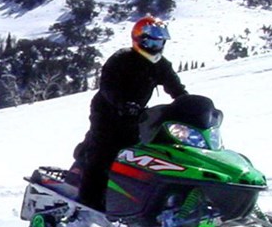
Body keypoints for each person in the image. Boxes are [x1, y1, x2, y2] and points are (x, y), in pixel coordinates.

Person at [74, 15, 187, 212]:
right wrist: (122, 104)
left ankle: (136, 200)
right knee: (105, 152)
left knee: (141, 154)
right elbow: (108, 86)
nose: (155, 45)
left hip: (137, 116)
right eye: (150, 40)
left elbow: (175, 87)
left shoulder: (160, 64)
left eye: (159, 41)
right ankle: (88, 202)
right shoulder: (122, 59)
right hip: (108, 112)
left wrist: (186, 103)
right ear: (138, 40)